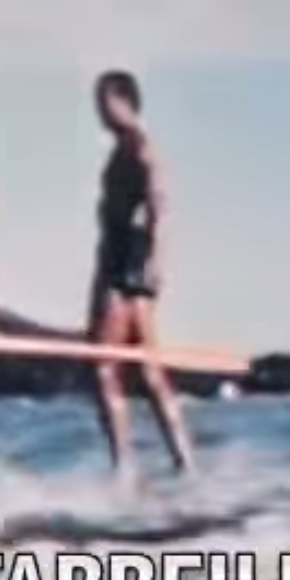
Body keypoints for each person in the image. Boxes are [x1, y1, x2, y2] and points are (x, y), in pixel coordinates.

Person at [88, 70, 196, 476]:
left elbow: (158, 205)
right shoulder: (123, 149)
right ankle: (182, 460)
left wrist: (154, 262)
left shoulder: (139, 147)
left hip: (128, 259)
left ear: (123, 101)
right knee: (147, 370)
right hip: (121, 256)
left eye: (103, 102)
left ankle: (125, 466)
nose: (98, 112)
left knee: (104, 366)